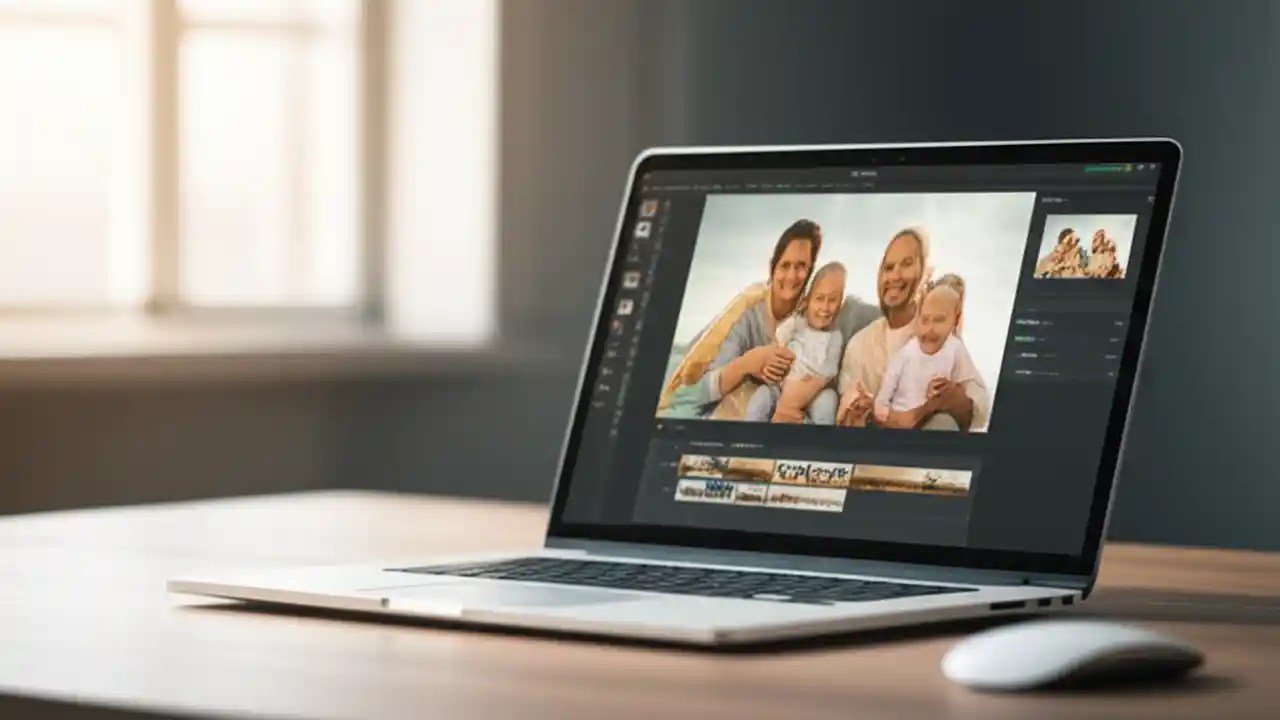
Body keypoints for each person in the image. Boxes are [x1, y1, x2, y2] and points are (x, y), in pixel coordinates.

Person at [658, 220, 843, 422]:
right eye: (785, 265)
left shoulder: (813, 314)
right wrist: (748, 363)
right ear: (772, 267)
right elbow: (703, 390)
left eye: (801, 267)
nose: (791, 276)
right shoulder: (748, 311)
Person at [836, 227, 990, 431]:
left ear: (924, 273)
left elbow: (979, 405)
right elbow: (849, 412)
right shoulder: (860, 344)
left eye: (907, 264)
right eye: (888, 268)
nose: (895, 276)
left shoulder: (939, 334)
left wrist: (955, 399)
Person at [745, 262, 847, 424]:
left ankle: (809, 431)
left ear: (840, 305)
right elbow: (779, 339)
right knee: (761, 397)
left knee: (827, 402)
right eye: (819, 299)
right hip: (782, 386)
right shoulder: (797, 324)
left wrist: (807, 388)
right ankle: (749, 434)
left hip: (814, 391)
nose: (825, 307)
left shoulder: (835, 336)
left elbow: (829, 371)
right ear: (808, 301)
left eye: (832, 300)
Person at [873, 283, 976, 428]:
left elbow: (966, 392)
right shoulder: (905, 354)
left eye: (939, 320)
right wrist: (893, 419)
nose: (930, 329)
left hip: (931, 422)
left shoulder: (955, 349)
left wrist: (946, 392)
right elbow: (880, 404)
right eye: (925, 320)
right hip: (899, 422)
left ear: (956, 320)